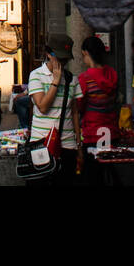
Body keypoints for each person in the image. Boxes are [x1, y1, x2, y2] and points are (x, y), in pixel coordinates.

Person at [26, 34, 80, 186]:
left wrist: (79, 145)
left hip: (67, 145)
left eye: (65, 60)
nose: (62, 64)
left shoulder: (72, 79)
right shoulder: (36, 76)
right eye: (60, 59)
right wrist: (55, 82)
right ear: (49, 54)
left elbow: (75, 112)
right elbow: (42, 107)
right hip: (41, 144)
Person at [74, 36, 119, 185]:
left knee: (93, 177)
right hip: (111, 133)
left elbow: (79, 107)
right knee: (110, 174)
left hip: (93, 135)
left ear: (86, 53)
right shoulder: (113, 75)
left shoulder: (85, 79)